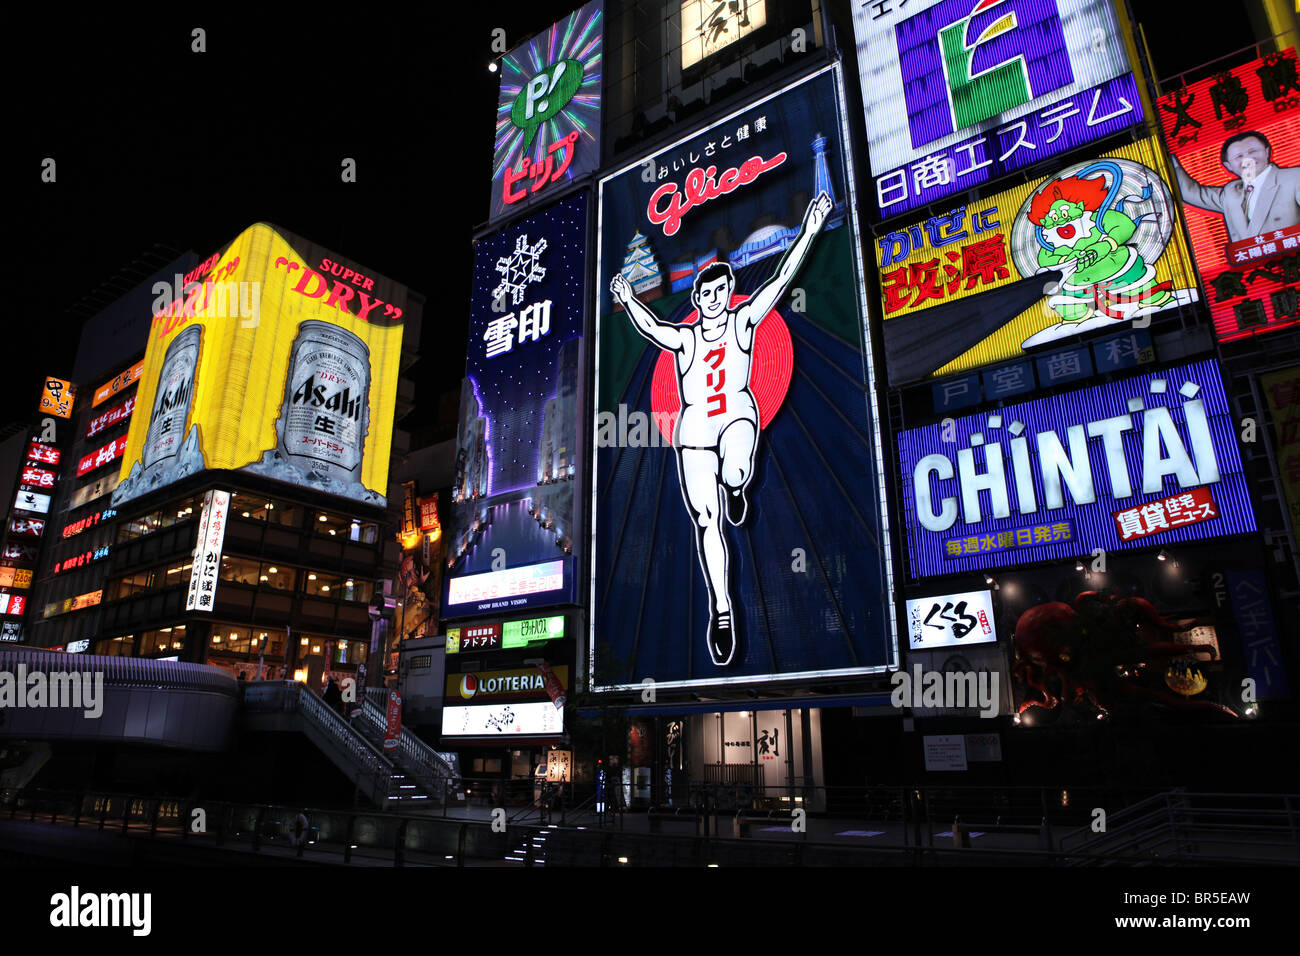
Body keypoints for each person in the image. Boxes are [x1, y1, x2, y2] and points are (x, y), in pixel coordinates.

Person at [609, 190, 833, 667]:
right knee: (706, 523)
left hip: (735, 414)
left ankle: (737, 486)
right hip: (693, 431)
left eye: (719, 291)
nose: (713, 299)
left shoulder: (743, 321)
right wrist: (628, 301)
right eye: (705, 293)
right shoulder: (686, 338)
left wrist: (811, 230)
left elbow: (778, 279)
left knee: (735, 467)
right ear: (697, 297)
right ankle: (722, 609)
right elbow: (652, 329)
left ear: (727, 292)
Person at [1171, 130, 1300, 247]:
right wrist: (1170, 159)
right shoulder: (1231, 192)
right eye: (1239, 156)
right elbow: (1190, 193)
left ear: (1267, 151)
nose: (1248, 159)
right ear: (1228, 166)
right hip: (1252, 268)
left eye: (1253, 151)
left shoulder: (1293, 177)